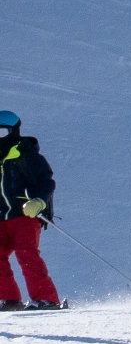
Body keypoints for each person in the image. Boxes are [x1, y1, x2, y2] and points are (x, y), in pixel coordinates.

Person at [0, 112, 62, 312]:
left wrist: (39, 201)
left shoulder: (27, 156)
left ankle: (46, 300)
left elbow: (47, 182)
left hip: (25, 215)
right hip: (1, 217)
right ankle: (8, 299)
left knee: (26, 253)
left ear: (13, 131)